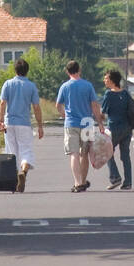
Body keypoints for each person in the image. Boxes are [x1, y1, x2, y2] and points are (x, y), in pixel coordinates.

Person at [54, 59, 103, 192]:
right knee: (85, 153)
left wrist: (65, 115)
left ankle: (77, 182)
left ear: (67, 72)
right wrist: (100, 123)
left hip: (71, 123)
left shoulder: (65, 87)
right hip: (87, 122)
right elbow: (94, 105)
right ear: (79, 70)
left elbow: (58, 105)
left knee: (74, 153)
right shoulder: (88, 86)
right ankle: (83, 180)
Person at [0, 57, 43, 192]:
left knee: (12, 152)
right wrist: (40, 125)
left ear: (15, 70)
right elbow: (36, 107)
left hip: (9, 122)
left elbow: (2, 103)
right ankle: (23, 171)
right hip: (24, 123)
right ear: (27, 71)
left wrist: (0, 120)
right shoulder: (31, 86)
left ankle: (16, 179)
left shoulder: (8, 84)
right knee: (26, 150)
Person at [99, 69, 133, 190]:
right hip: (127, 128)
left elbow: (103, 113)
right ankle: (128, 182)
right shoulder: (125, 93)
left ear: (112, 81)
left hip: (114, 128)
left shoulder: (109, 94)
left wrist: (99, 118)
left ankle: (115, 178)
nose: (104, 80)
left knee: (107, 152)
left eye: (106, 78)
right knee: (125, 156)